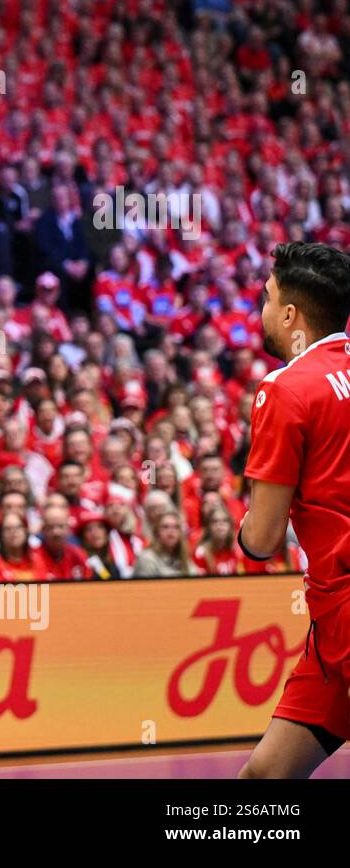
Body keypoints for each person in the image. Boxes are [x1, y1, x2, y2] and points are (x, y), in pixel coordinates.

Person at [237, 243, 350, 778]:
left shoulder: (284, 389)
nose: (260, 310)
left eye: (266, 298)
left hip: (345, 602)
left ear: (289, 315)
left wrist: (245, 525)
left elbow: (261, 539)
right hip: (331, 628)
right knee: (264, 778)